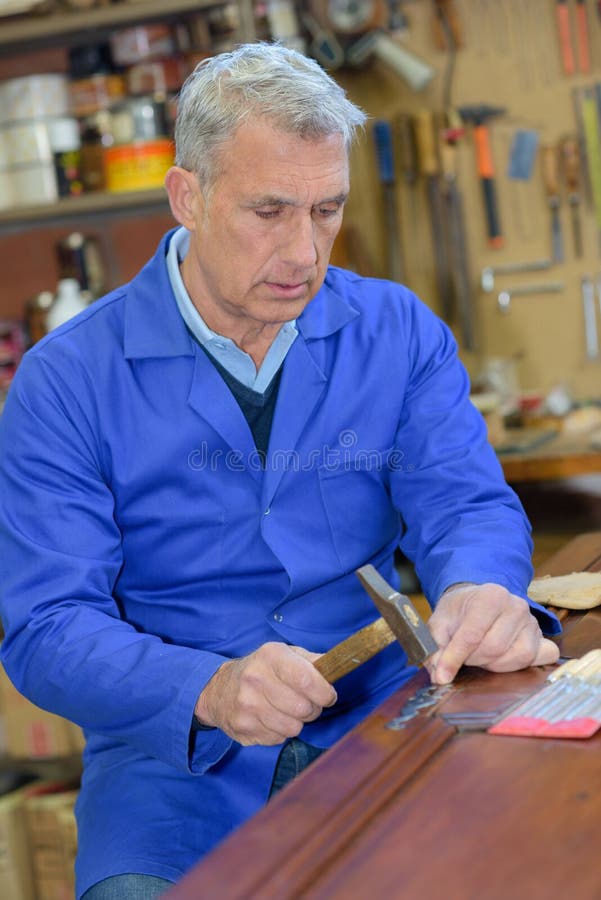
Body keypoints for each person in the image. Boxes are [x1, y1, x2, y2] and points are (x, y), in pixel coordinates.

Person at [0, 43, 560, 900]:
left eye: (325, 210)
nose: (305, 250)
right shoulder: (67, 379)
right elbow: (44, 627)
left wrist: (482, 587)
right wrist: (208, 688)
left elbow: (465, 504)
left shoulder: (395, 332)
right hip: (176, 770)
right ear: (187, 196)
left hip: (387, 717)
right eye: (270, 211)